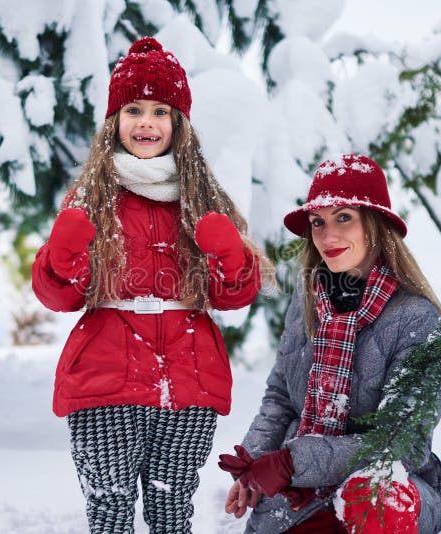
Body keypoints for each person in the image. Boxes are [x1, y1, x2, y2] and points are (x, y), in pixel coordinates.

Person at [31, 36, 272, 534]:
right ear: (114, 122)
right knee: (110, 509)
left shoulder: (203, 196)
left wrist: (229, 254)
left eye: (161, 111)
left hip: (188, 376)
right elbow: (60, 295)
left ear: (179, 123)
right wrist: (63, 254)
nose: (146, 122)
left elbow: (235, 296)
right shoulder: (92, 197)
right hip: (105, 375)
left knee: (170, 506)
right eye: (133, 109)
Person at [219, 154, 441, 533]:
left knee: (372, 502)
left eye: (344, 217)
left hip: (381, 487)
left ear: (374, 223)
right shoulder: (308, 298)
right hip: (300, 489)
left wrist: (291, 462)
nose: (327, 236)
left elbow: (402, 443)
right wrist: (252, 463)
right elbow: (281, 394)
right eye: (317, 222)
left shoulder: (416, 317)